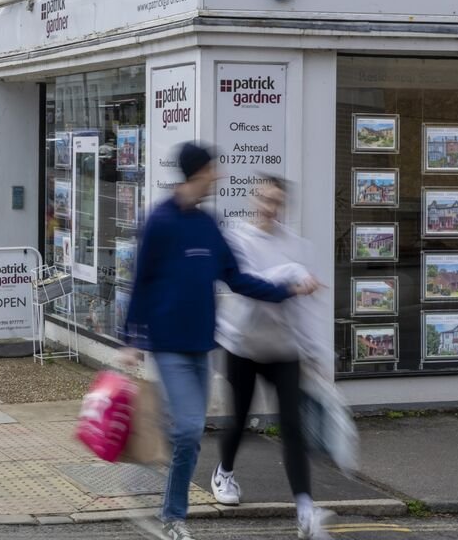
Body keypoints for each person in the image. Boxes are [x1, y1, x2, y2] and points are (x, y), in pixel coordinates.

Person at [121, 144, 317, 540]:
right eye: (213, 169)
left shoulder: (208, 225)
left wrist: (288, 290)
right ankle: (175, 518)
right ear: (198, 172)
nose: (218, 176)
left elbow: (237, 277)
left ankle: (171, 509)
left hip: (201, 345)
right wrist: (131, 338)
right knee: (191, 428)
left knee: (189, 436)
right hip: (168, 344)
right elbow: (140, 281)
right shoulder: (160, 221)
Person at [212, 177, 334, 540]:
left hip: (284, 349)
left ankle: (305, 510)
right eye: (264, 199)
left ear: (284, 206)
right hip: (244, 345)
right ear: (253, 199)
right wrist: (293, 276)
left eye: (276, 201)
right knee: (240, 420)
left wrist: (317, 352)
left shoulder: (296, 245)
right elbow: (251, 287)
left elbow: (308, 309)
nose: (269, 207)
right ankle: (224, 471)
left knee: (292, 428)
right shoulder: (238, 239)